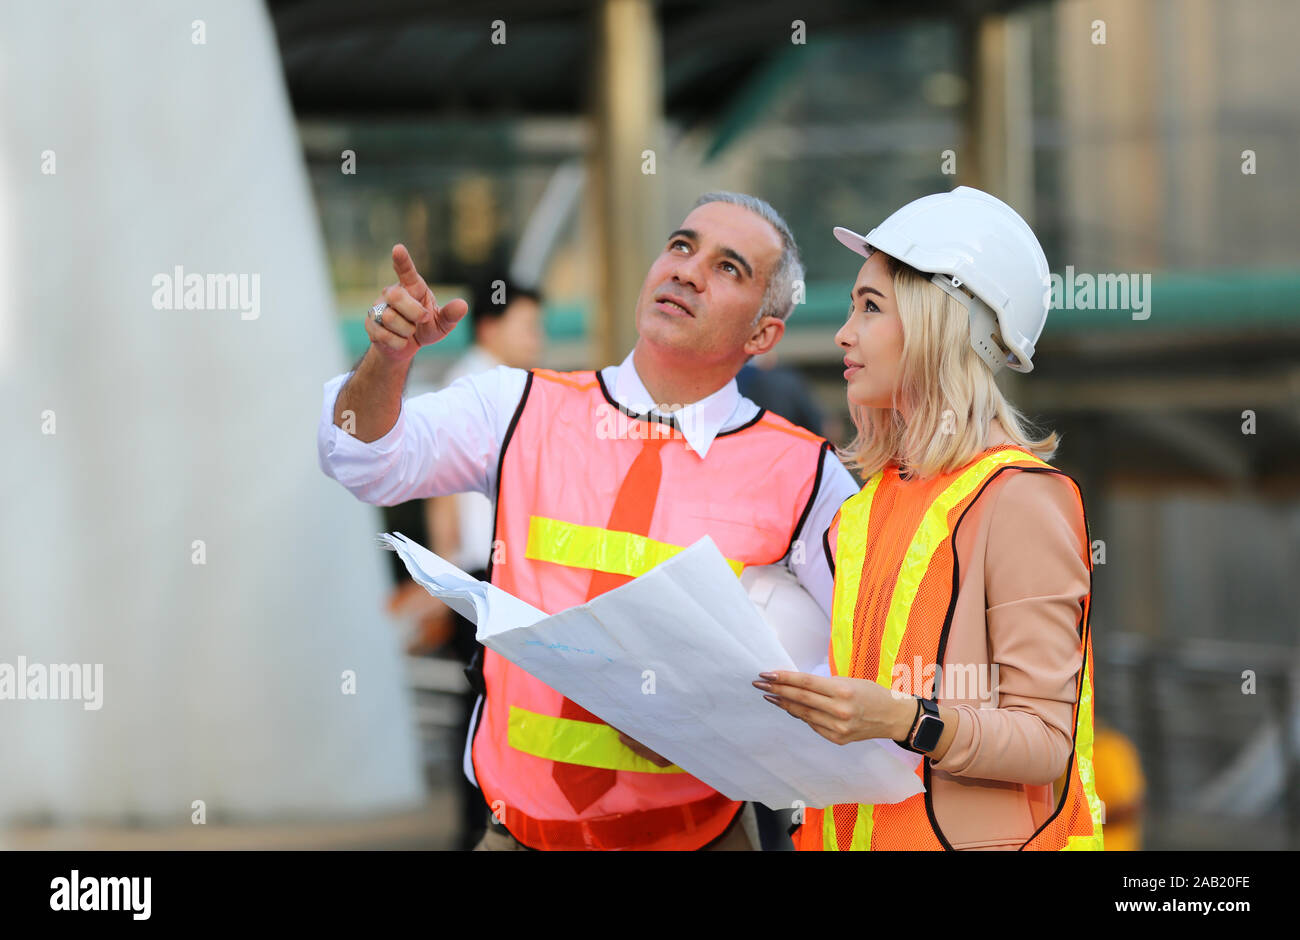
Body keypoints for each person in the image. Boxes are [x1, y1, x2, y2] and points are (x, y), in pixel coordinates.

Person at [317, 191, 859, 851]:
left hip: (698, 840)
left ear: (763, 335)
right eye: (682, 246)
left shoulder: (806, 474)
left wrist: (722, 718)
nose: (688, 270)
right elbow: (362, 459)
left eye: (728, 268)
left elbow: (857, 669)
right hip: (514, 837)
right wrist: (388, 362)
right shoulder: (519, 404)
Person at [755, 186, 1105, 850]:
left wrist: (904, 718)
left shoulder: (1021, 500)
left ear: (943, 322)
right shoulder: (865, 509)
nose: (843, 333)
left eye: (870, 307)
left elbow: (1044, 743)